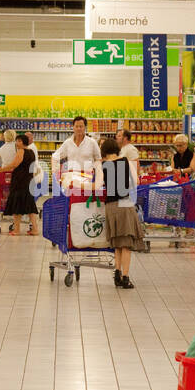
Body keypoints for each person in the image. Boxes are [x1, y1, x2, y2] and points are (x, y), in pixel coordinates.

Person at [100, 137, 144, 288]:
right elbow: (136, 182)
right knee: (126, 244)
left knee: (117, 243)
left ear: (104, 151)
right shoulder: (125, 161)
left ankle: (117, 273)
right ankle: (125, 277)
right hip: (125, 203)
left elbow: (99, 184)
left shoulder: (103, 165)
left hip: (110, 205)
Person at [3, 133, 40, 236]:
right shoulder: (31, 152)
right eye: (17, 141)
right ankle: (35, 229)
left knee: (17, 206)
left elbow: (14, 165)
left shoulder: (21, 151)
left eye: (19, 141)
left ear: (23, 142)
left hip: (19, 182)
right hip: (28, 180)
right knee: (30, 206)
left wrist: (0, 170)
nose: (17, 143)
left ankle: (17, 230)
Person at [51, 115, 101, 188]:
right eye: (76, 126)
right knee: (71, 198)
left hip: (87, 178)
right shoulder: (67, 143)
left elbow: (98, 159)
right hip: (71, 178)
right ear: (73, 127)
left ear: (85, 128)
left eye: (81, 126)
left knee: (84, 198)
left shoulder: (92, 142)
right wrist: (55, 172)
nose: (78, 129)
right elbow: (55, 157)